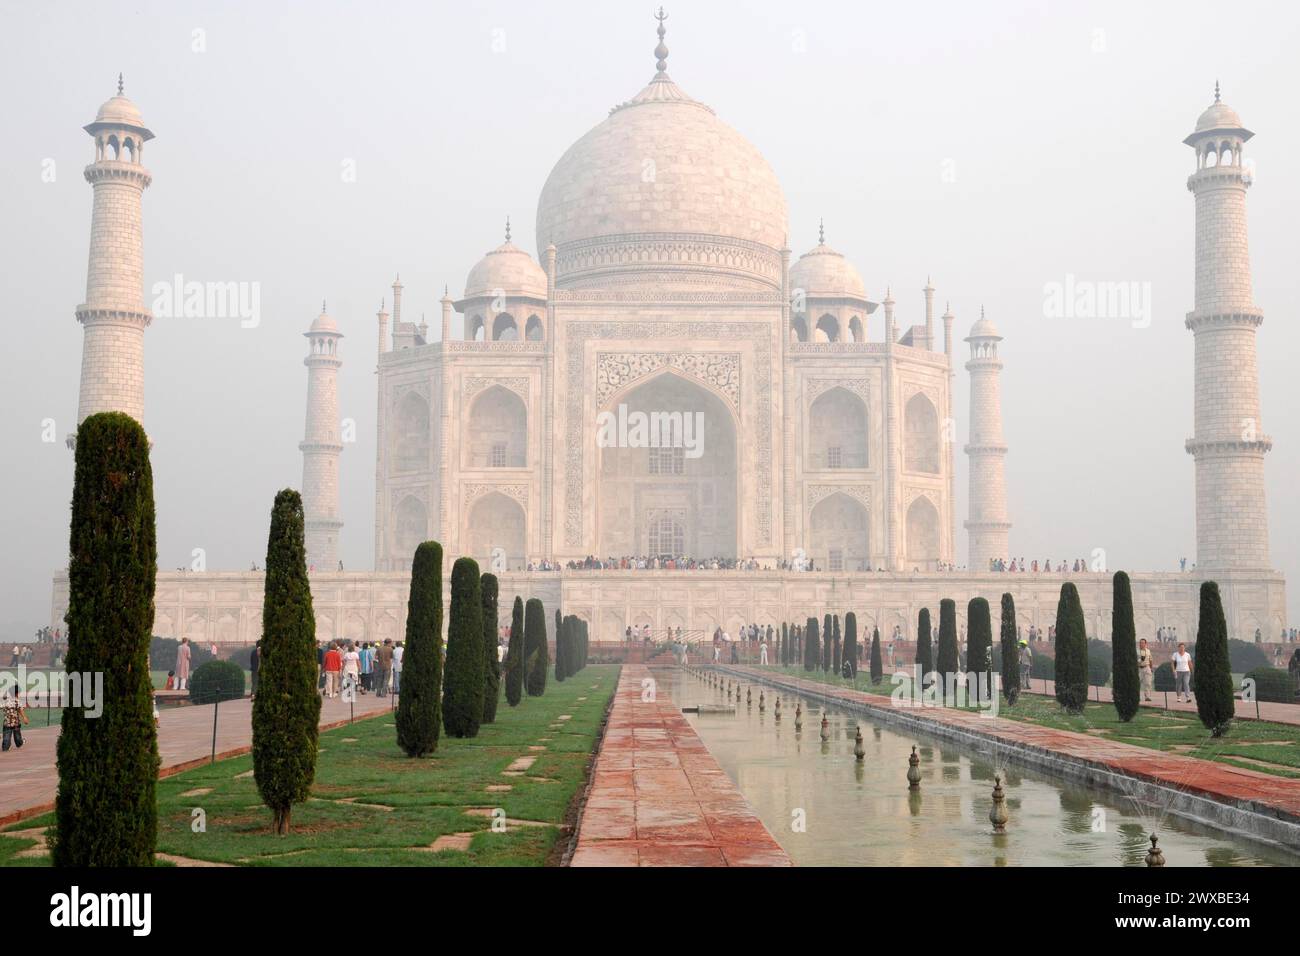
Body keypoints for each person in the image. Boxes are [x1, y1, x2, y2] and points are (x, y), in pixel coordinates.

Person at [2, 687, 29, 752]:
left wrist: (24, 717)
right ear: (17, 694)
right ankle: (13, 744)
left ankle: (8, 746)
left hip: (11, 724)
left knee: (12, 740)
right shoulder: (14, 701)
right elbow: (20, 710)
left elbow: (20, 710)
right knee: (14, 740)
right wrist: (24, 718)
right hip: (11, 724)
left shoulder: (7, 701)